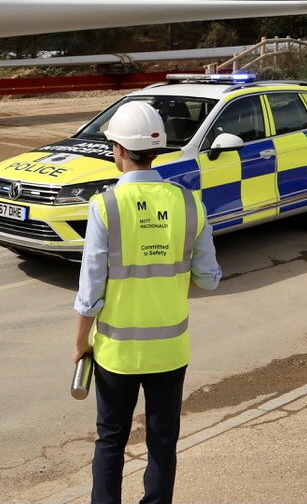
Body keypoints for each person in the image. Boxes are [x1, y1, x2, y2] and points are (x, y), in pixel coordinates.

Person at [73, 101, 222, 504]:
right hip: (170, 352)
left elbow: (90, 291)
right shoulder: (190, 204)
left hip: (117, 352)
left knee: (111, 439)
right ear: (157, 149)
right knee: (162, 441)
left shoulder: (104, 206)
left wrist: (80, 342)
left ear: (117, 149)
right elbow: (209, 279)